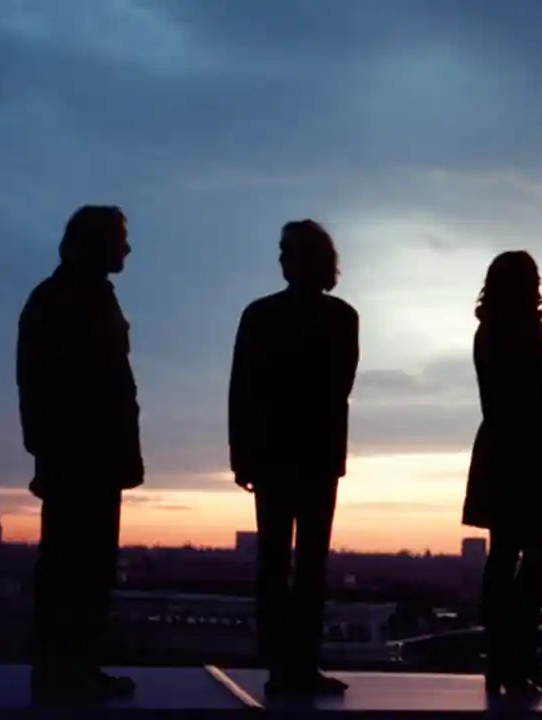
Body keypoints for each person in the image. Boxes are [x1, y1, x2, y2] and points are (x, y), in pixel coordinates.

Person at [17, 205, 143, 705]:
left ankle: (79, 668)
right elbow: (38, 384)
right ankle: (60, 672)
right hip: (77, 458)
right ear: (95, 243)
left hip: (96, 457)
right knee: (71, 568)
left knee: (91, 570)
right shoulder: (59, 299)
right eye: (120, 240)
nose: (127, 250)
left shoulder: (83, 296)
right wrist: (51, 450)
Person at [229, 220, 359, 697]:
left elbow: (243, 391)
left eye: (288, 251)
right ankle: (297, 665)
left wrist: (243, 453)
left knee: (281, 563)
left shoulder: (261, 315)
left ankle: (286, 665)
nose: (282, 259)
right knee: (303, 565)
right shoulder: (341, 317)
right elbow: (336, 387)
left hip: (280, 455)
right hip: (313, 455)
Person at [462, 251, 542, 697]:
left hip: (526, 451)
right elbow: (514, 397)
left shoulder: (510, 329)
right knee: (515, 556)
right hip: (517, 452)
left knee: (518, 557)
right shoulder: (504, 332)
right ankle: (511, 659)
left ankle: (512, 660)